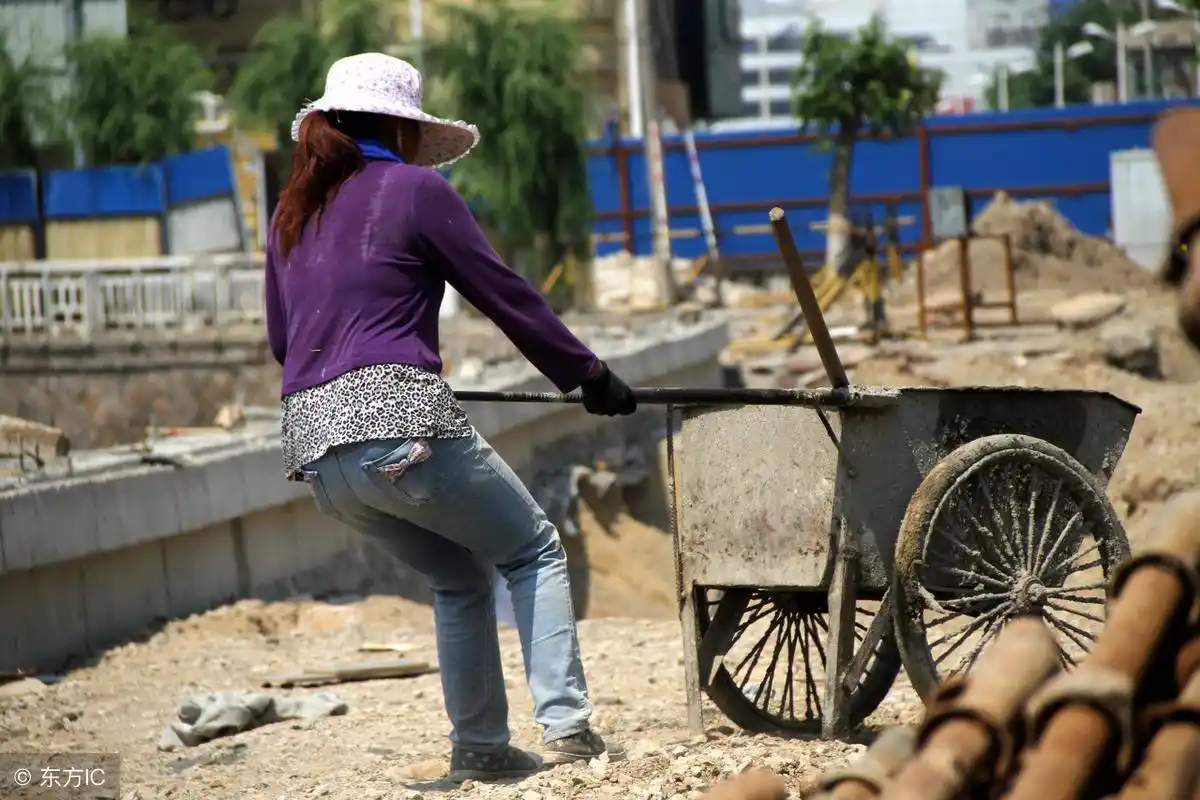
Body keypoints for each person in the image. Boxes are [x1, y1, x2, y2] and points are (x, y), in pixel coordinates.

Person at [264, 52, 637, 783]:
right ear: (403, 129)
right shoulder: (415, 191)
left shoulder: (292, 212)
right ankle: (569, 728)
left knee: (458, 576)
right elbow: (504, 294)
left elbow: (285, 342)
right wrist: (587, 373)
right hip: (401, 428)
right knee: (533, 549)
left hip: (316, 450)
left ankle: (481, 750)